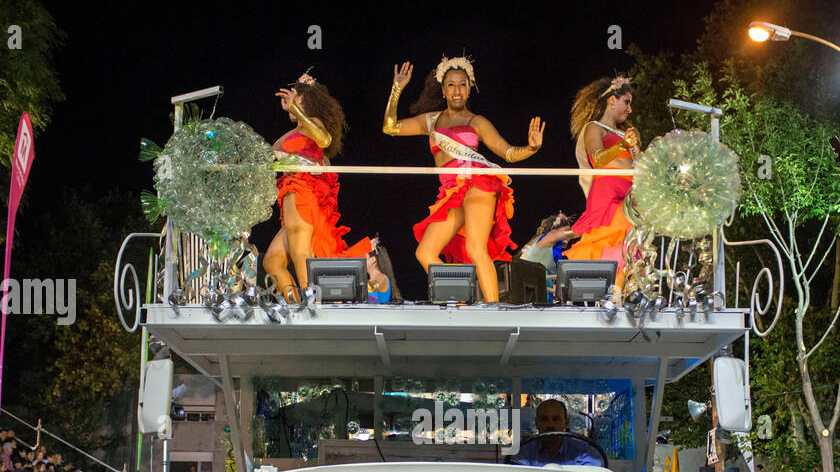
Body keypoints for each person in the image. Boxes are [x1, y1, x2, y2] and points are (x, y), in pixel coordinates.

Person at [384, 56, 544, 303]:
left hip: (478, 183)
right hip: (452, 191)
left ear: (470, 88)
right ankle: (461, 299)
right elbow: (390, 127)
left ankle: (494, 309)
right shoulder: (431, 121)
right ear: (443, 89)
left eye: (462, 85)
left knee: (474, 247)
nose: (456, 91)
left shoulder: (477, 122)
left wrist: (531, 148)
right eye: (451, 85)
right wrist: (397, 89)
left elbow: (508, 153)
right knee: (425, 252)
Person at [265, 71, 371, 303]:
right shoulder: (297, 131)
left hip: (301, 189)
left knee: (300, 249)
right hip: (293, 193)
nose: (289, 100)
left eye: (296, 97)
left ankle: (311, 303)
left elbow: (324, 140)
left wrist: (295, 110)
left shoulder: (314, 124)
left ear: (306, 101)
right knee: (272, 260)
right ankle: (296, 303)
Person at [564, 76, 640, 283]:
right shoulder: (594, 127)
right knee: (621, 232)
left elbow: (640, 165)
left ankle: (622, 295)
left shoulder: (626, 133)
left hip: (630, 194)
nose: (630, 109)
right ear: (612, 100)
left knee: (630, 242)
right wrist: (623, 146)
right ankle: (616, 294)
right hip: (609, 193)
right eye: (627, 102)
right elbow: (598, 159)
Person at [510, 398, 600, 466]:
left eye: (556, 419)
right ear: (536, 423)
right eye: (544, 419)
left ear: (566, 423)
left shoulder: (583, 450)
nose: (550, 425)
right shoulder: (523, 451)